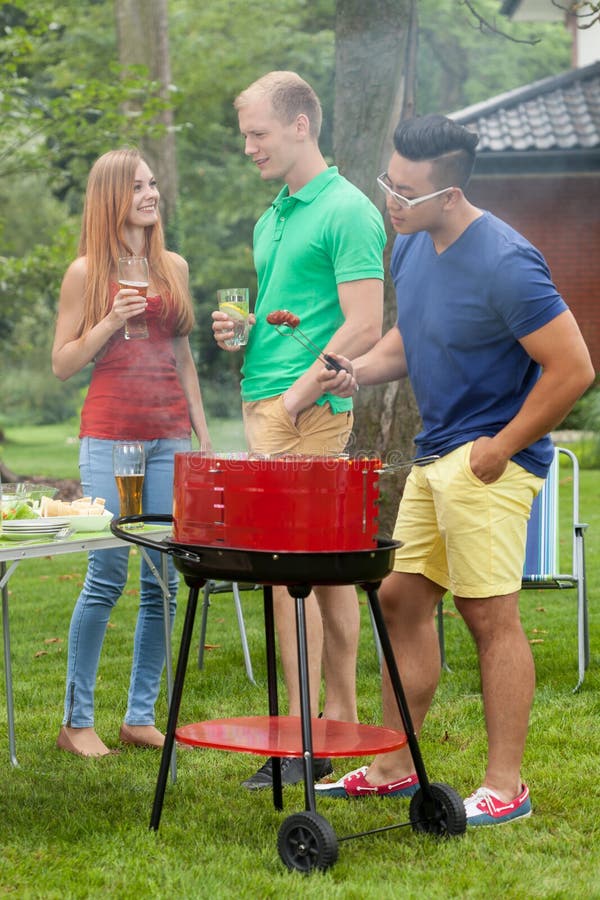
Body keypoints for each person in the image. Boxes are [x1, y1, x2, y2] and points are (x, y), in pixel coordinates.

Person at [315, 114, 594, 824]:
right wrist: (358, 371)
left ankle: (506, 788)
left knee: (488, 616)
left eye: (404, 190)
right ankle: (394, 765)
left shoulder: (506, 260)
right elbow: (413, 335)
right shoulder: (414, 243)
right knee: (401, 600)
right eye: (387, 180)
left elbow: (573, 368)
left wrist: (500, 447)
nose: (389, 199)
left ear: (450, 194)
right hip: (436, 457)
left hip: (487, 464)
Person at [212, 71, 386, 789]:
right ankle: (335, 727)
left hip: (307, 413)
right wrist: (242, 329)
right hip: (268, 402)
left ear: (301, 126)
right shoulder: (273, 215)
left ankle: (301, 742)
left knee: (289, 579)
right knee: (326, 572)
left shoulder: (346, 209)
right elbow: (298, 313)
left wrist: (302, 390)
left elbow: (366, 322)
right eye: (246, 133)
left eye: (258, 133)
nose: (249, 146)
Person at [52, 148, 212, 757]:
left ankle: (139, 715)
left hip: (169, 434)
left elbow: (182, 357)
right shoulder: (85, 273)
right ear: (113, 196)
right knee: (107, 573)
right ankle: (77, 720)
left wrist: (201, 432)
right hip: (109, 437)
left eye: (153, 183)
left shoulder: (174, 266)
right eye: (139, 185)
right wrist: (109, 319)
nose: (152, 193)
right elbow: (63, 363)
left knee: (162, 579)